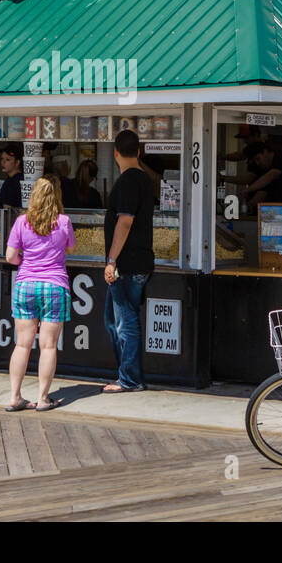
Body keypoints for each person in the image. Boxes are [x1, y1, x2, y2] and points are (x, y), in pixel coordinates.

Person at [4, 175, 75, 412]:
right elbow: (70, 248)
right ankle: (43, 398)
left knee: (22, 345)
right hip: (55, 285)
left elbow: (10, 257)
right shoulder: (64, 222)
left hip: (26, 285)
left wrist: (28, 259)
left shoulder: (21, 222)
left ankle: (15, 397)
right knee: (48, 346)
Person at [102, 129, 154, 393]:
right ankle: (125, 373)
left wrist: (111, 260)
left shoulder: (127, 182)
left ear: (115, 153)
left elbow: (124, 221)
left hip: (127, 263)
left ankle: (130, 379)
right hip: (140, 260)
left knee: (125, 320)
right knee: (113, 320)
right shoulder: (144, 180)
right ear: (139, 152)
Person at [0, 143, 25, 211]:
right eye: (2, 158)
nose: (3, 162)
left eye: (8, 159)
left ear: (17, 163)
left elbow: (7, 209)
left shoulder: (15, 182)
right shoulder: (10, 179)